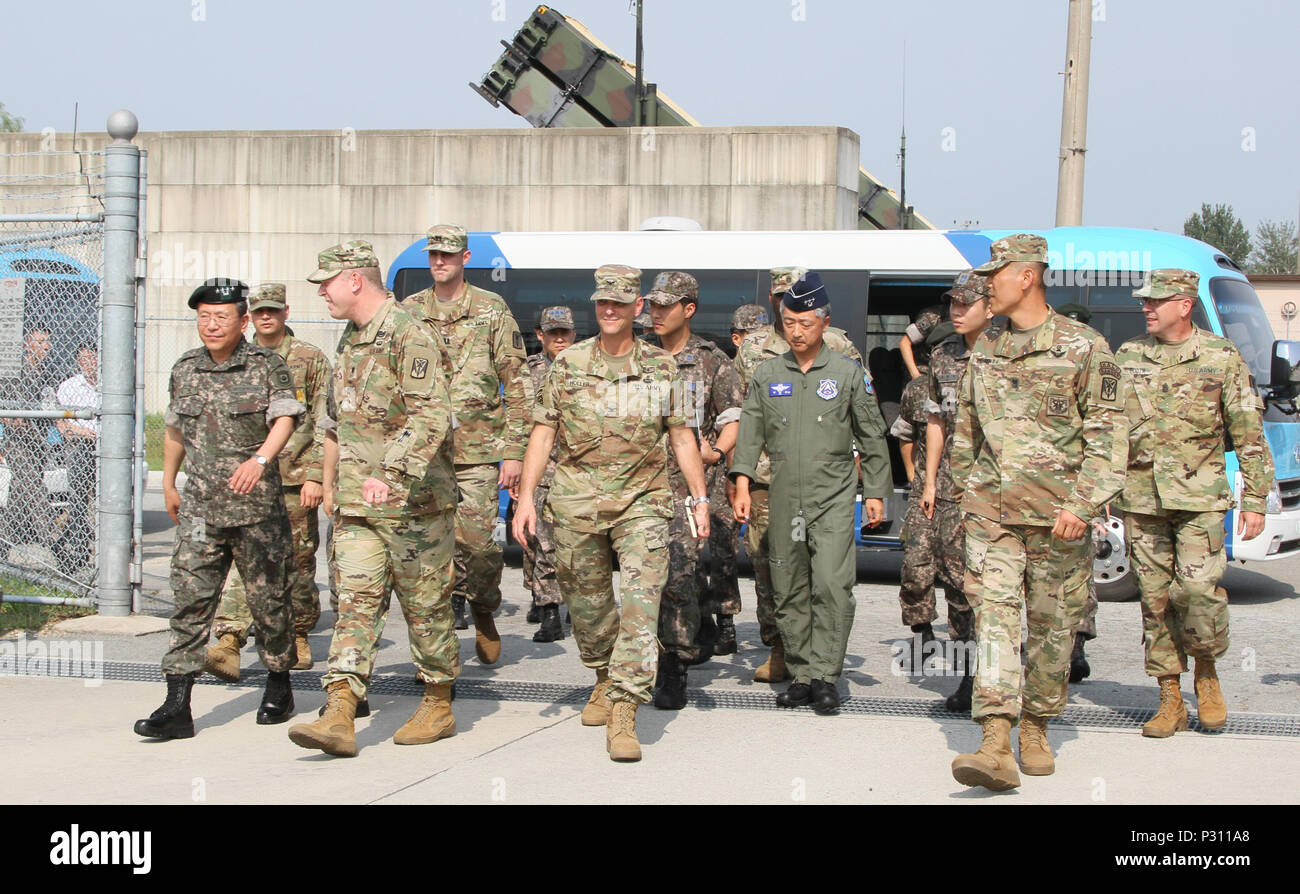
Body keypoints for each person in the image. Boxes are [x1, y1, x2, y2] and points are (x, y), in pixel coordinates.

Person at [948, 235, 1128, 791]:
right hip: (992, 519)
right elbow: (967, 434)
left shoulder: (1086, 348)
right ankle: (996, 739)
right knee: (996, 624)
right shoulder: (986, 349)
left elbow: (1110, 440)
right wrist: (965, 497)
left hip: (1059, 522)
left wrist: (1082, 506)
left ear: (1027, 276)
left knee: (1053, 631)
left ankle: (1038, 725)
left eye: (995, 275)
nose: (985, 286)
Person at [512, 264, 711, 762]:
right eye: (602, 302)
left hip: (642, 501)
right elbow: (543, 430)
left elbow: (682, 435)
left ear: (636, 308)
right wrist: (525, 499)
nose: (609, 310)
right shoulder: (568, 364)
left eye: (620, 304)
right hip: (576, 500)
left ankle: (625, 707)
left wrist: (699, 497)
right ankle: (603, 675)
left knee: (642, 603)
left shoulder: (663, 366)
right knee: (589, 607)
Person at [287, 241, 459, 757]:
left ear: (356, 280)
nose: (321, 292)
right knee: (355, 605)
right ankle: (340, 710)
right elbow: (339, 420)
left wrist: (392, 471)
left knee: (425, 608)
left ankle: (437, 702)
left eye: (328, 282)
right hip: (360, 507)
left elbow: (432, 414)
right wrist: (331, 483)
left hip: (416, 505)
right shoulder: (351, 338)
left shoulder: (410, 333)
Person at [134, 278, 304, 739]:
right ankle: (177, 706)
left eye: (221, 317)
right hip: (201, 510)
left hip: (256, 510)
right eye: (204, 316)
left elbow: (285, 417)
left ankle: (278, 682)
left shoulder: (268, 366)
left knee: (269, 601)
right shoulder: (185, 367)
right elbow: (174, 430)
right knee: (189, 602)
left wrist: (260, 459)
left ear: (243, 321)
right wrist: (170, 483)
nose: (211, 325)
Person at [1116, 269, 1273, 738]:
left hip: (1201, 497)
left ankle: (1206, 674)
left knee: (1199, 592)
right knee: (1155, 600)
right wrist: (1101, 489)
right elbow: (1107, 429)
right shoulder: (1127, 356)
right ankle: (1169, 696)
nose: (1146, 307)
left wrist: (1257, 498)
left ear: (1184, 305)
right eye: (1144, 301)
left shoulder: (1220, 357)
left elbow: (1248, 430)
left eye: (1156, 301)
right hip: (1142, 498)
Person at [731, 272, 891, 715]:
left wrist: (875, 490)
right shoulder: (767, 374)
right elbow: (750, 432)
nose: (796, 332)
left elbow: (873, 436)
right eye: (788, 322)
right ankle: (801, 673)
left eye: (805, 323)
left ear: (825, 323)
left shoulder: (845, 373)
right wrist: (741, 481)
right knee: (788, 586)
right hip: (782, 496)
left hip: (833, 497)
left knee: (832, 585)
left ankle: (826, 676)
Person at [400, 224, 529, 663]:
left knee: (479, 548)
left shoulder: (492, 310)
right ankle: (439, 652)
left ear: (465, 259)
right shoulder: (409, 311)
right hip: (424, 455)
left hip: (477, 452)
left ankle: (483, 607)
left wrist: (513, 452)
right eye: (434, 255)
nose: (440, 262)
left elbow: (517, 382)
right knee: (428, 553)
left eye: (449, 255)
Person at [206, 283, 331, 680]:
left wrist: (316, 476)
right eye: (259, 311)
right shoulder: (235, 358)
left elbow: (325, 421)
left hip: (294, 478)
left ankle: (296, 632)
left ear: (285, 312)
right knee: (244, 560)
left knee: (297, 559)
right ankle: (230, 639)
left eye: (272, 311)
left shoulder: (309, 359)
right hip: (246, 480)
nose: (265, 317)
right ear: (248, 316)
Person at [645, 271, 742, 709]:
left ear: (689, 309)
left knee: (678, 574)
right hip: (641, 485)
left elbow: (733, 415)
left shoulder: (711, 360)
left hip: (689, 486)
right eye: (653, 304)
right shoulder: (637, 357)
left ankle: (674, 668)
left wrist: (717, 454)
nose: (656, 313)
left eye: (666, 306)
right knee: (645, 579)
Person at [918, 271, 998, 712]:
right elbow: (935, 423)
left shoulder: (1008, 353)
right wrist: (930, 481)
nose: (957, 311)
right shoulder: (943, 356)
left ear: (990, 307)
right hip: (952, 488)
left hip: (1000, 491)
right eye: (953, 303)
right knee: (959, 586)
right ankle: (970, 676)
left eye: (966, 304)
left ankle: (1002, 676)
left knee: (996, 586)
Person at [693, 303, 771, 656]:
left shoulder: (764, 371)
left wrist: (735, 474)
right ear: (737, 337)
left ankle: (725, 622)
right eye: (751, 335)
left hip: (729, 468)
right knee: (687, 550)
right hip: (702, 466)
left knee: (726, 549)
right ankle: (697, 619)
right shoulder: (718, 367)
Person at [519, 305, 576, 643]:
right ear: (540, 335)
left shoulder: (586, 369)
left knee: (576, 546)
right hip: (540, 469)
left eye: (564, 332)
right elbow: (519, 421)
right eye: (552, 332)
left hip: (576, 471)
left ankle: (571, 604)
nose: (559, 338)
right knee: (541, 544)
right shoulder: (527, 372)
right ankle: (549, 612)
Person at [1057, 302, 1100, 683]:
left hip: (1081, 487)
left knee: (1078, 574)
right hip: (1047, 485)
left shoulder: (1096, 363)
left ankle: (1077, 647)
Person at [0, 327, 59, 568]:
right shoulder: (14, 371)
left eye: (48, 342)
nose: (46, 347)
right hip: (17, 440)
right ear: (27, 344)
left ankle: (5, 536)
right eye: (41, 342)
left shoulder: (47, 372)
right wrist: (9, 417)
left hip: (38, 439)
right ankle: (52, 536)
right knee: (33, 484)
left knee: (19, 490)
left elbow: (51, 401)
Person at [54, 344, 100, 577]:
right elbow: (62, 424)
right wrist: (84, 433)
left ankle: (109, 548)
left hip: (106, 446)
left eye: (92, 358)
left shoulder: (110, 385)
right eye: (83, 359)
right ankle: (80, 548)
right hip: (80, 445)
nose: (88, 362)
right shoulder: (70, 386)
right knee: (79, 499)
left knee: (106, 500)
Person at [898, 304, 947, 380]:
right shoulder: (932, 317)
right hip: (923, 371)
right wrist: (916, 375)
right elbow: (904, 343)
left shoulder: (967, 320)